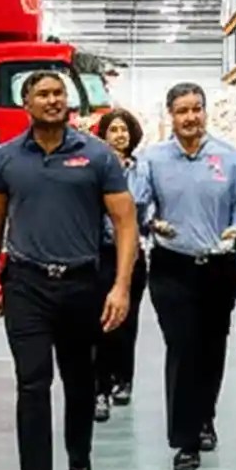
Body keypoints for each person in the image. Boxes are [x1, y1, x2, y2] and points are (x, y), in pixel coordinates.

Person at [0, 71, 136, 470]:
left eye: (59, 94)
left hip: (81, 285)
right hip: (26, 285)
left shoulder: (97, 155)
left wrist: (121, 286)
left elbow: (125, 222)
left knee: (79, 380)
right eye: (43, 94)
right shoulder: (6, 158)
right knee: (32, 384)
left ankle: (79, 456)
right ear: (26, 104)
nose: (53, 100)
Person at [135, 82, 236, 470]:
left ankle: (205, 415)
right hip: (172, 266)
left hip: (218, 267)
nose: (190, 117)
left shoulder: (230, 158)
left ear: (205, 112)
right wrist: (151, 221)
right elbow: (138, 204)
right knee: (182, 346)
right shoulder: (153, 159)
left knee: (211, 347)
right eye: (182, 110)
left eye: (196, 109)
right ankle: (185, 439)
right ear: (171, 116)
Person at [91, 107, 149, 422]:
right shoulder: (95, 167)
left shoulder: (143, 170)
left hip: (133, 254)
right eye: (113, 130)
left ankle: (123, 379)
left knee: (128, 321)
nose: (119, 135)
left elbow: (150, 207)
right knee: (100, 322)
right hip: (100, 253)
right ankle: (99, 388)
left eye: (124, 129)